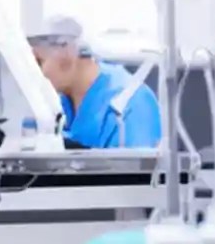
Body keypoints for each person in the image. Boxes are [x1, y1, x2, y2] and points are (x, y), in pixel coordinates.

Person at [28, 15, 162, 149]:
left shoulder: (130, 105)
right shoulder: (63, 104)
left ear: (66, 51)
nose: (37, 73)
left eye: (39, 62)